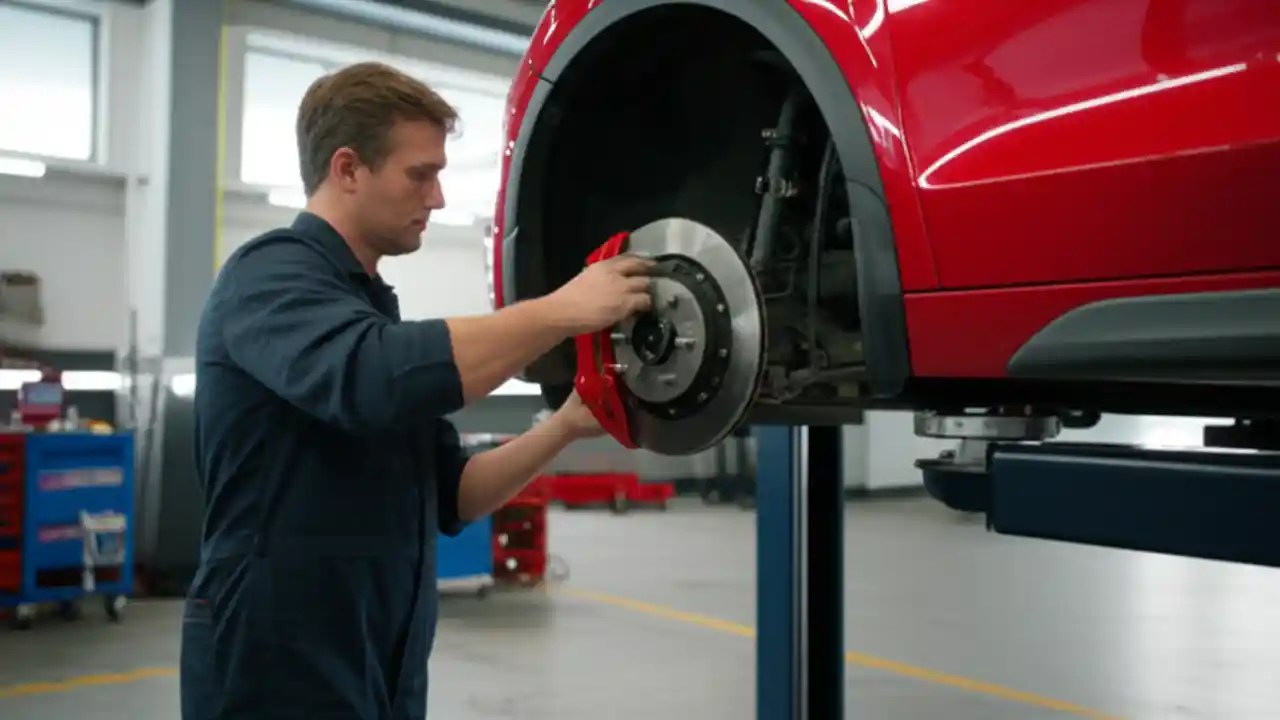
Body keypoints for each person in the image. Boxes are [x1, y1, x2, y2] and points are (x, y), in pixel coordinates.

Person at [179, 61, 653, 720]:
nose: (435, 199)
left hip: (380, 651)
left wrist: (567, 424)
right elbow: (371, 379)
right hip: (276, 656)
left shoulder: (364, 313)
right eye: (420, 174)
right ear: (347, 169)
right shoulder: (268, 276)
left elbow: (453, 492)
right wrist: (560, 310)